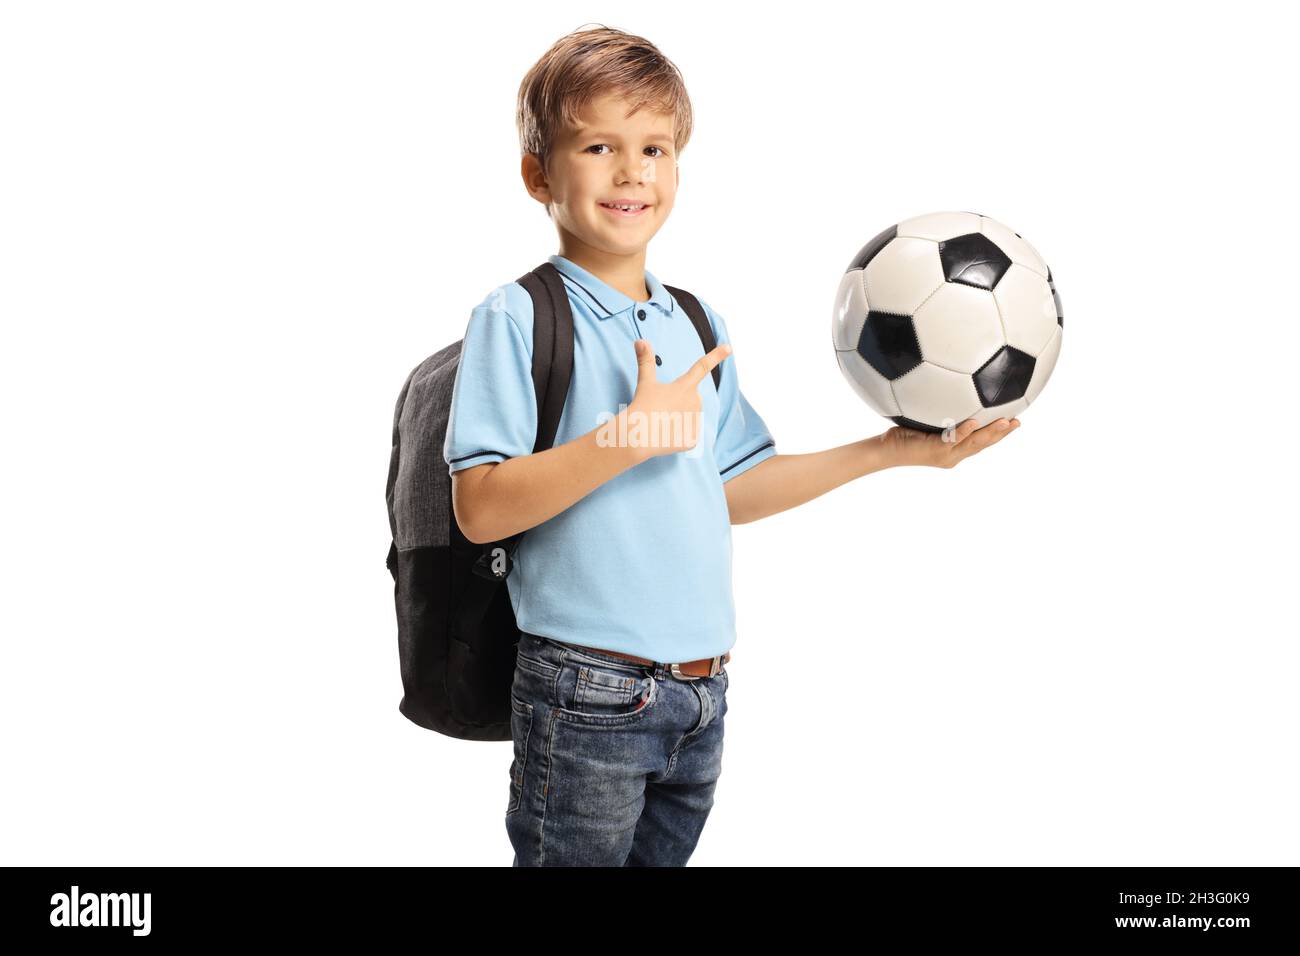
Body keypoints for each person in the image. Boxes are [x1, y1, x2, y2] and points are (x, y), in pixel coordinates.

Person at [443, 25, 1019, 867]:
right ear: (539, 175)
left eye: (655, 148)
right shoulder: (519, 316)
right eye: (599, 145)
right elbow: (480, 507)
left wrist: (891, 449)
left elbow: (732, 486)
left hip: (699, 693)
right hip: (585, 692)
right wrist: (625, 439)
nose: (633, 170)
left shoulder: (694, 321)